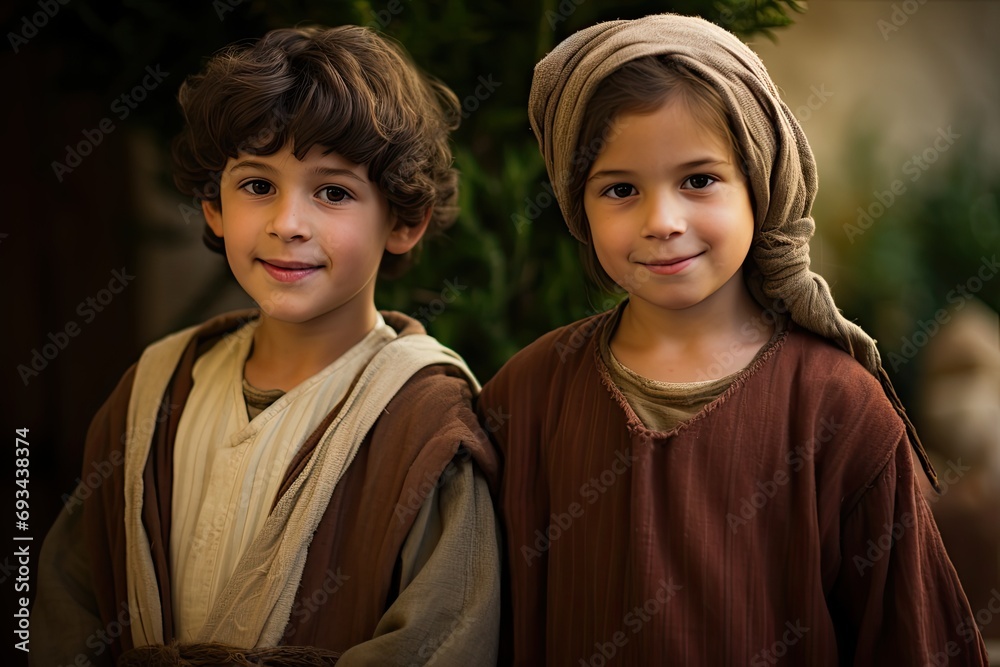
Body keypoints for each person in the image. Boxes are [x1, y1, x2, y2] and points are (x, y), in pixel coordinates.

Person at [478, 13, 988, 666]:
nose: (663, 220)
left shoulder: (839, 408)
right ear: (580, 205)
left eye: (699, 180)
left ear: (761, 183)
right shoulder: (528, 394)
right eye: (621, 189)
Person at [33, 25, 500, 666]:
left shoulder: (427, 425)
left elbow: (442, 640)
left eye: (333, 192)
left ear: (403, 220)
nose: (287, 224)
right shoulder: (152, 390)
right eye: (257, 186)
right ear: (213, 206)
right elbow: (64, 604)